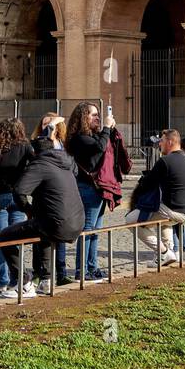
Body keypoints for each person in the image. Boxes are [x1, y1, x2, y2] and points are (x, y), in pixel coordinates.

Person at [0, 133, 85, 298]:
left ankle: (23, 283)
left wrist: (27, 209)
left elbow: (19, 191)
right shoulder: (65, 163)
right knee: (43, 230)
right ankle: (46, 280)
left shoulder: (39, 164)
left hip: (57, 223)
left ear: (34, 153)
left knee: (4, 236)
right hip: (77, 223)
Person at [125, 128, 185, 263]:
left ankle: (164, 252)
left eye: (162, 141)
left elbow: (147, 183)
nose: (159, 144)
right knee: (164, 219)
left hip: (175, 210)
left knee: (130, 220)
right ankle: (168, 252)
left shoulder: (165, 161)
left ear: (170, 142)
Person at [0, 118, 34, 296]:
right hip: (18, 198)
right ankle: (16, 280)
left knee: (2, 240)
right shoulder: (25, 147)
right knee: (16, 240)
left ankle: (1, 281)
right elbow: (35, 166)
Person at [65, 101, 115, 282]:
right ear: (83, 117)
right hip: (87, 187)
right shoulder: (80, 138)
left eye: (98, 115)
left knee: (96, 229)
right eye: (93, 115)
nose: (98, 118)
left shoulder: (93, 135)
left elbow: (106, 147)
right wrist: (107, 128)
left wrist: (110, 130)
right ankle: (81, 270)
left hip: (99, 187)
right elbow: (99, 147)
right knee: (87, 229)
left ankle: (93, 267)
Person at [31, 115, 74, 285]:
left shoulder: (64, 145)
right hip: (42, 195)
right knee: (40, 237)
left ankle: (61, 273)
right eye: (45, 124)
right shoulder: (38, 142)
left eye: (51, 124)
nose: (48, 126)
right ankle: (39, 272)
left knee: (60, 235)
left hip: (60, 195)